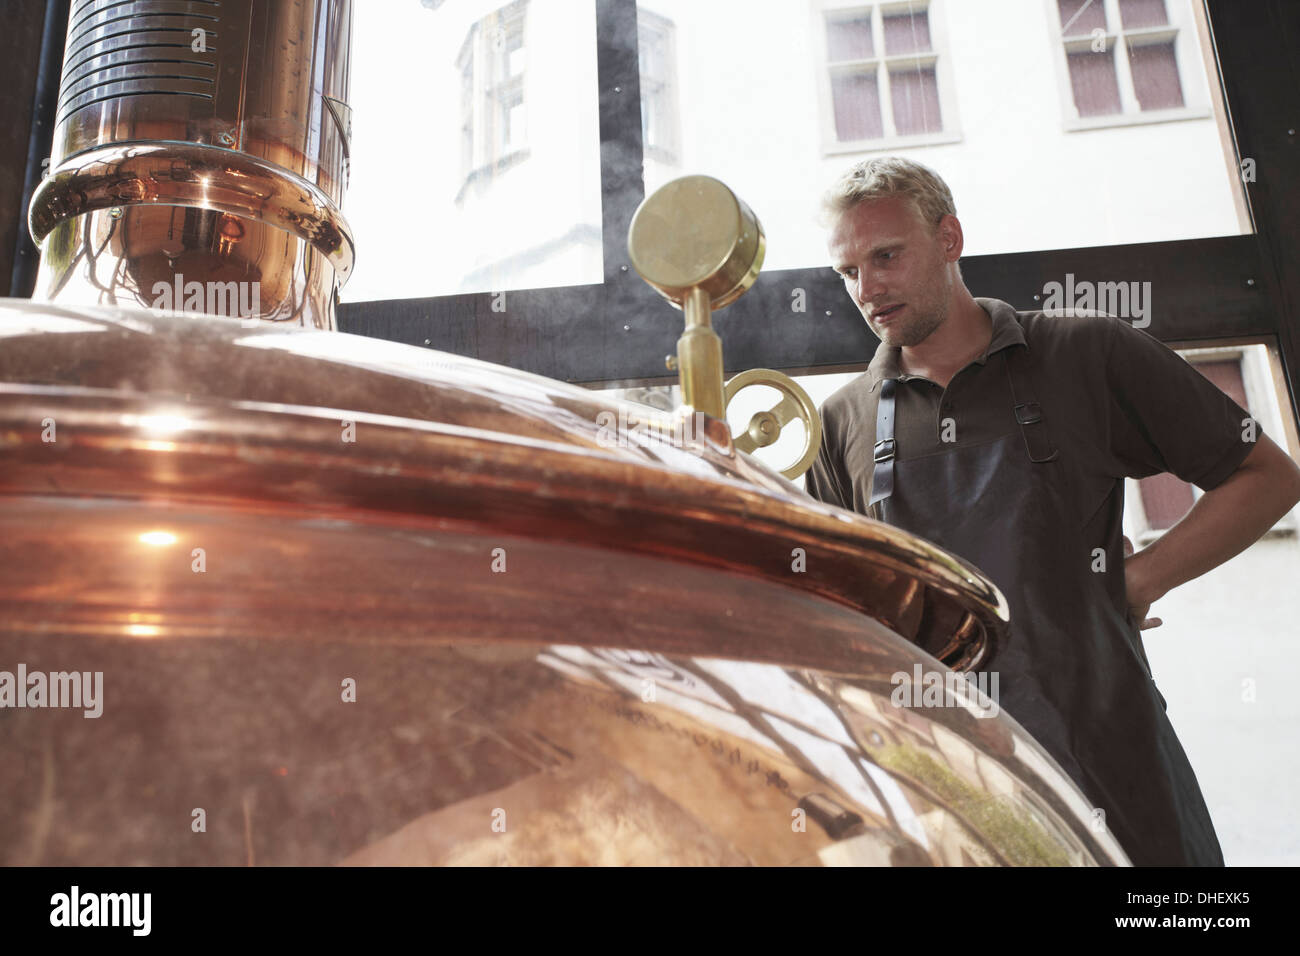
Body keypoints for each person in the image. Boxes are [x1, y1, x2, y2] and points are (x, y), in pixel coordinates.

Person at [805, 157, 1300, 866]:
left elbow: (1267, 475)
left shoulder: (1083, 353)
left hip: (1114, 764)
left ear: (950, 238)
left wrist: (1139, 580)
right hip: (953, 791)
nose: (867, 288)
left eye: (886, 256)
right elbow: (840, 622)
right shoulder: (841, 423)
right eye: (847, 271)